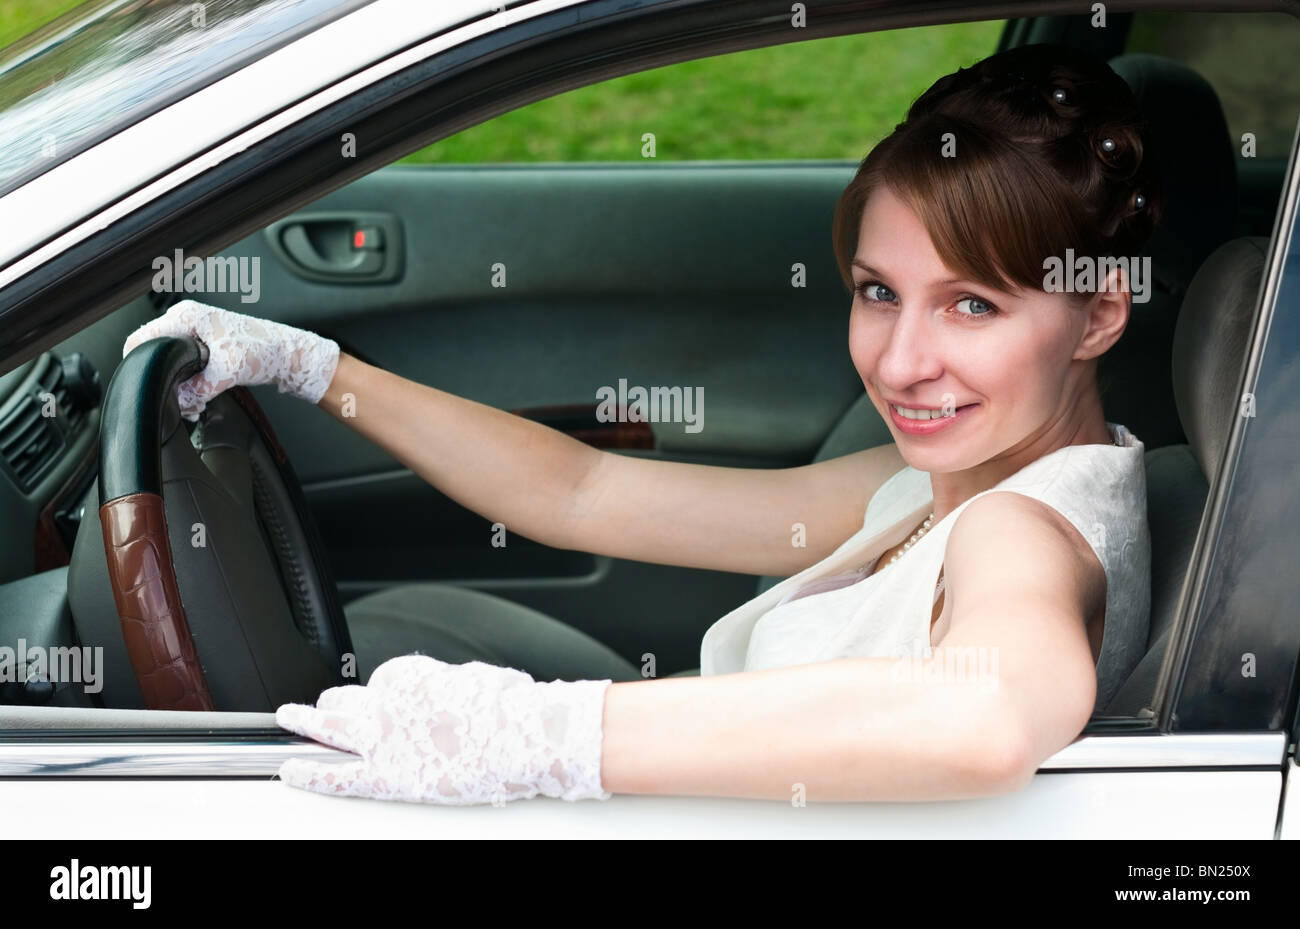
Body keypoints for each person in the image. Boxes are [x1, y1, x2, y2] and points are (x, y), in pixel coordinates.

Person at [121, 42, 1160, 806]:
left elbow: (979, 715)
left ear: (1097, 311)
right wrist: (317, 369)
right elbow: (584, 492)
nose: (899, 361)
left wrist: (549, 734)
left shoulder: (1021, 530)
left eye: (971, 305)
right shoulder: (930, 486)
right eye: (878, 291)